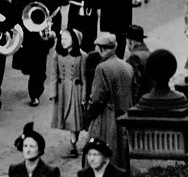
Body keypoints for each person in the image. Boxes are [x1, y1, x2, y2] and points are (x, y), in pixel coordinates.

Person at [11, 0, 60, 106]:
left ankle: (35, 94)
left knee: (38, 69)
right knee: (27, 67)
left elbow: (55, 12)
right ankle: (34, 87)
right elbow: (14, 11)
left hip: (38, 36)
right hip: (24, 34)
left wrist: (53, 30)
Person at [83, 32, 134, 166]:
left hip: (106, 117)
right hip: (124, 116)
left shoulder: (102, 68)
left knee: (100, 155)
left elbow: (96, 98)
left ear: (101, 48)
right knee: (120, 154)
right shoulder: (127, 66)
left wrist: (88, 117)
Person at [50, 28, 85, 157]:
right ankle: (73, 144)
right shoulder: (57, 55)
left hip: (75, 91)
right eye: (62, 39)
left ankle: (73, 145)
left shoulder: (82, 56)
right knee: (67, 119)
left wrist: (83, 96)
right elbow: (54, 74)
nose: (62, 41)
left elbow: (84, 78)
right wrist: (53, 93)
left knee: (74, 119)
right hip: (62, 90)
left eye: (66, 39)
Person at [125, 24, 153, 102]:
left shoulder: (134, 57)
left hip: (140, 100)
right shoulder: (148, 53)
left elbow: (132, 83)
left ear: (131, 42)